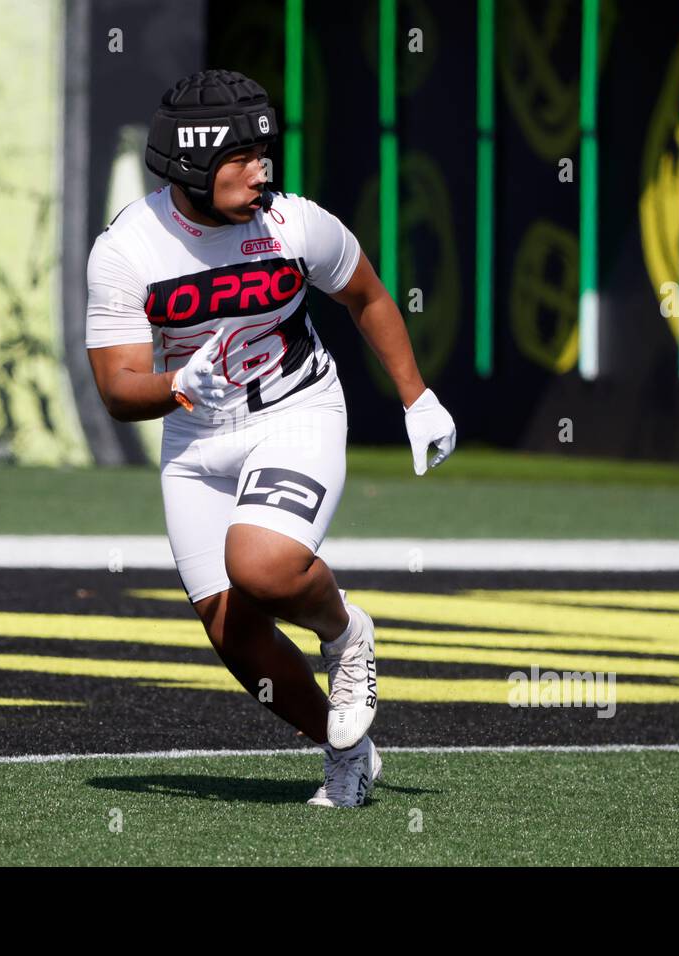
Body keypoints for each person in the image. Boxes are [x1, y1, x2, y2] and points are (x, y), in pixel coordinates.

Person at [85, 70, 457, 807]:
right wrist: (178, 385)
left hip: (296, 411)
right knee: (234, 634)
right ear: (192, 159)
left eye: (267, 152)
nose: (265, 169)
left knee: (263, 566)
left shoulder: (292, 224)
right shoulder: (128, 249)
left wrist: (417, 397)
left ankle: (346, 633)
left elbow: (366, 295)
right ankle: (345, 753)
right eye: (245, 155)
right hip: (195, 438)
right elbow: (119, 389)